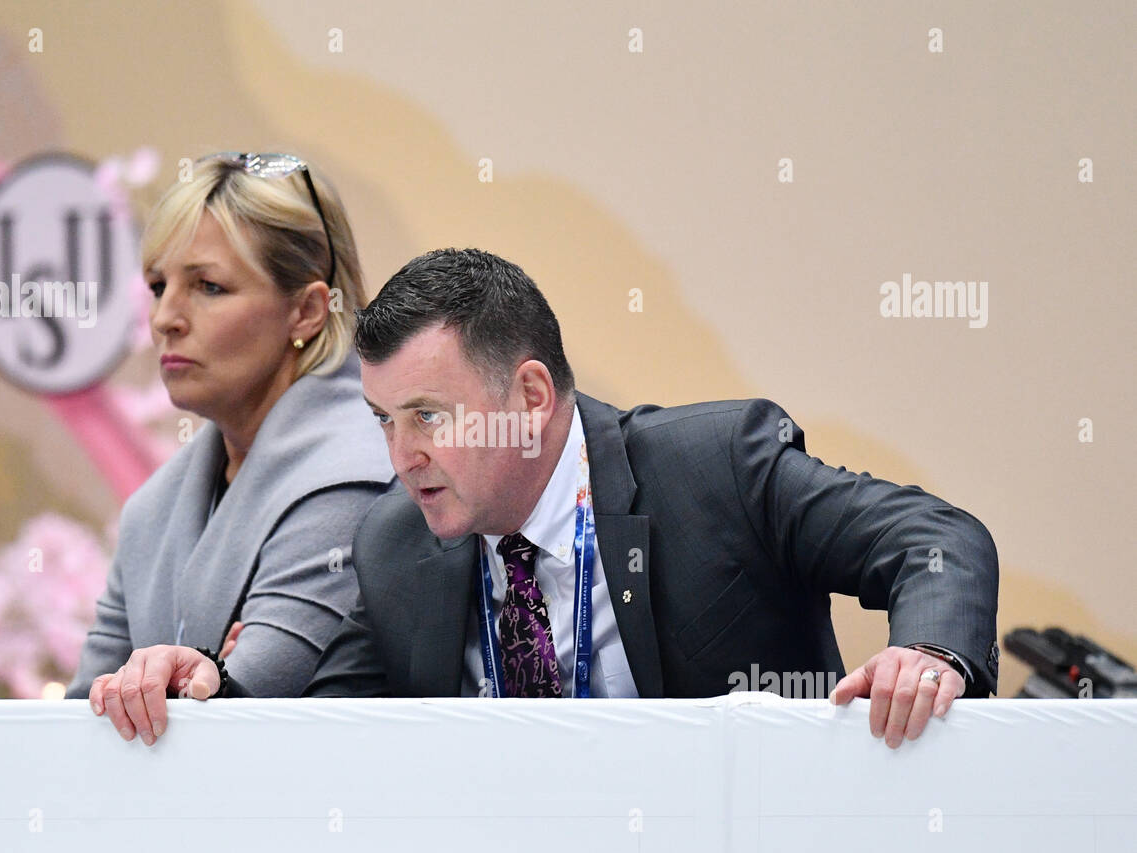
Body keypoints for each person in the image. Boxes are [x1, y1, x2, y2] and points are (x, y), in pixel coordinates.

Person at [101, 248, 1000, 751]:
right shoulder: (396, 544)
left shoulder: (713, 467)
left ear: (530, 398)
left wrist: (924, 652)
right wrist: (212, 690)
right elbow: (336, 725)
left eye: (428, 416)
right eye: (383, 420)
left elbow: (934, 538)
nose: (401, 455)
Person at [66, 153, 393, 744]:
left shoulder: (356, 474)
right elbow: (77, 724)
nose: (165, 318)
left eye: (208, 287)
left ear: (308, 311)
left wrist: (172, 685)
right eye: (159, 286)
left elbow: (234, 724)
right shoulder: (152, 509)